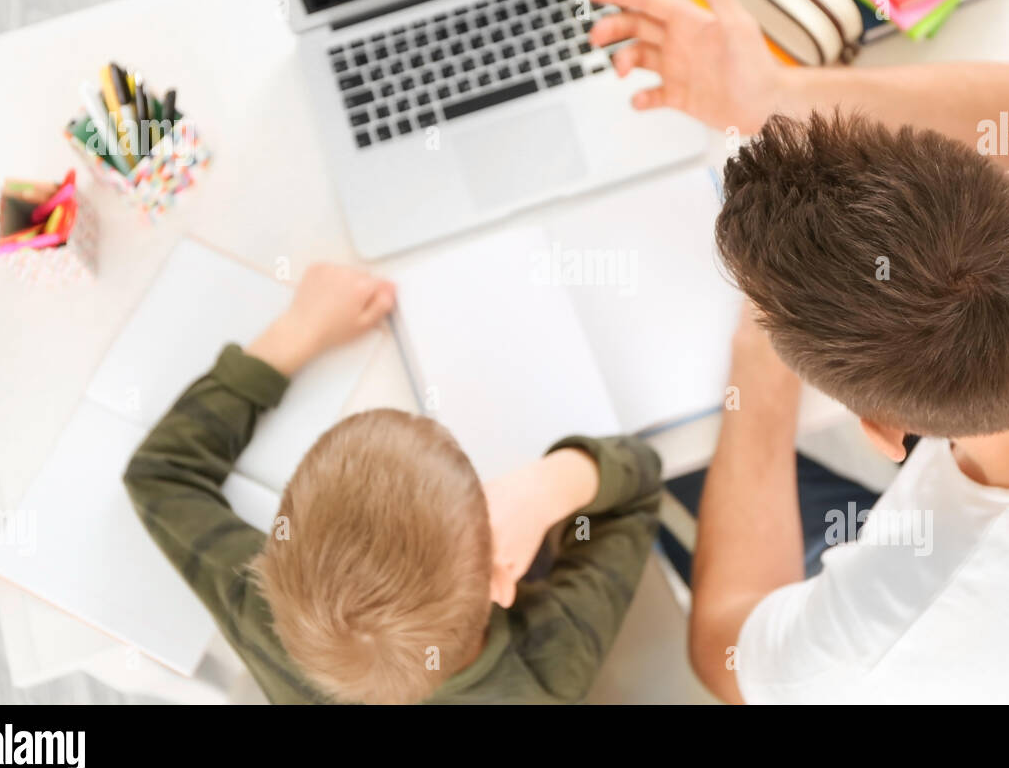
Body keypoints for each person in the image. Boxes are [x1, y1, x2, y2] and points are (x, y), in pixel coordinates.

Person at [583, 0, 1009, 703]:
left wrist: (756, 364)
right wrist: (777, 95)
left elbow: (725, 649)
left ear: (886, 430)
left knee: (682, 461)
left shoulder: (883, 650)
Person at [124, 265, 661, 704]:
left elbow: (161, 474)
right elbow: (640, 486)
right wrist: (545, 488)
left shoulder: (261, 616)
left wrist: (297, 332)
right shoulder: (548, 668)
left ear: (272, 565)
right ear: (500, 581)